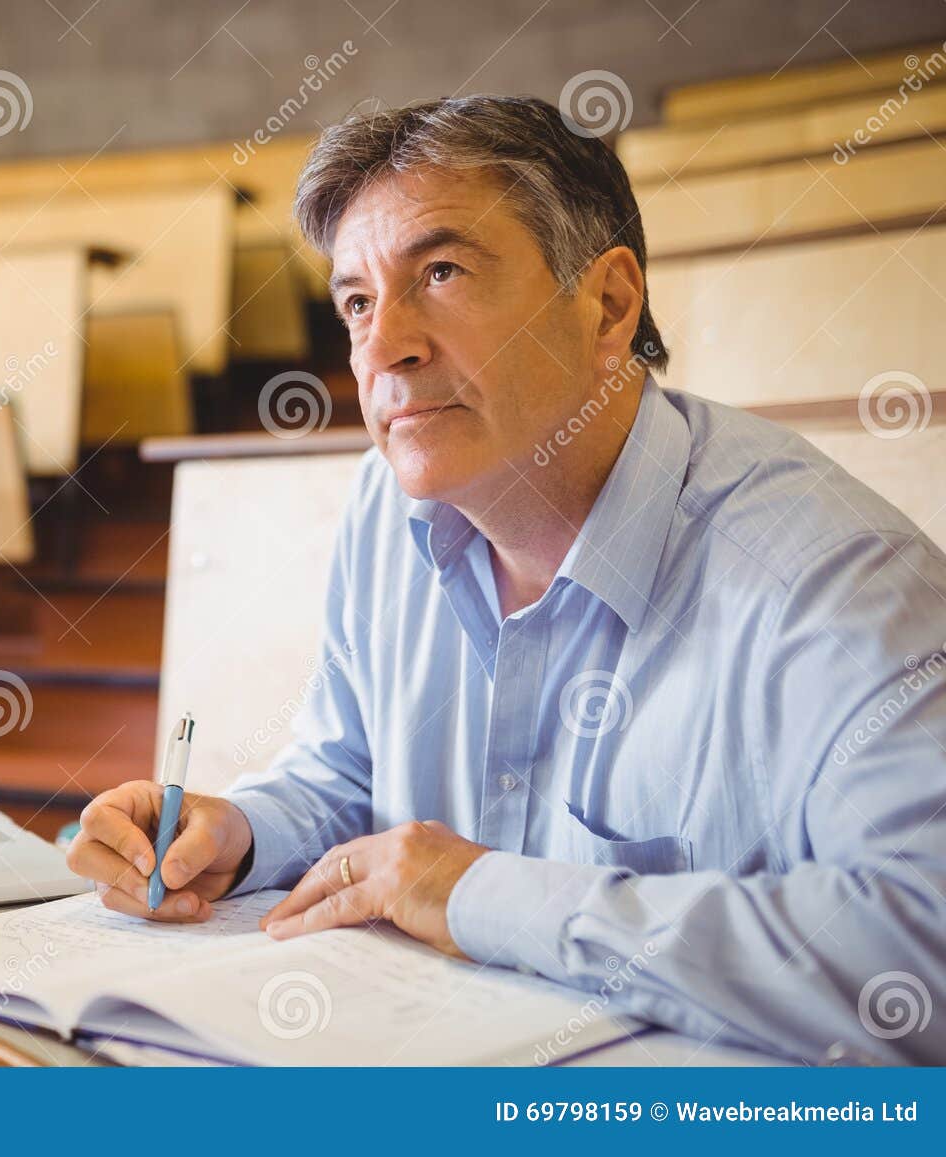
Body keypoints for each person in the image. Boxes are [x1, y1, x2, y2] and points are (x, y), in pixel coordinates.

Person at [66, 95, 946, 1065]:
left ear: (608, 304)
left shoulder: (832, 577)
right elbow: (347, 771)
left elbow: (924, 946)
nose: (383, 346)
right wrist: (235, 831)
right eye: (357, 300)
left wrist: (478, 893)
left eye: (440, 272)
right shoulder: (384, 503)